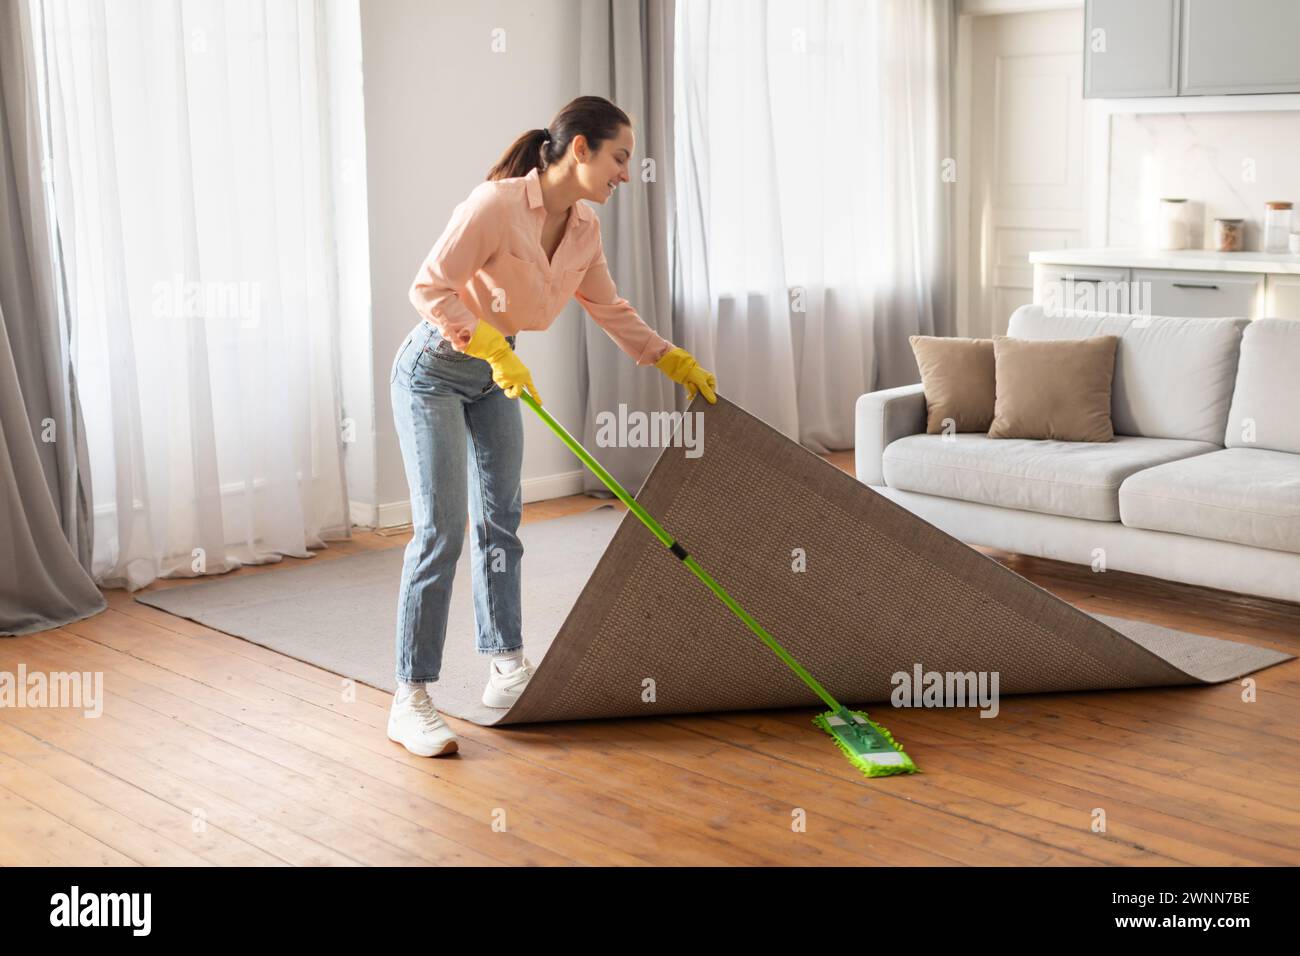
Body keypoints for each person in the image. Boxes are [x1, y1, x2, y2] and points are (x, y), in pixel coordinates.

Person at [387, 95, 717, 757]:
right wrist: (490, 344)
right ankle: (411, 697)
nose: (627, 171)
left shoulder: (584, 227)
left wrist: (668, 358)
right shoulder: (495, 206)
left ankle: (506, 667)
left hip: (495, 375)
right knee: (442, 529)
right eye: (620, 156)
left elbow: (607, 305)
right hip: (435, 370)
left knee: (501, 522)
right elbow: (428, 287)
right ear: (580, 149)